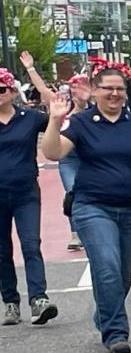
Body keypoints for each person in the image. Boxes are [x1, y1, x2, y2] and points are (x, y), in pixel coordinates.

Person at [39, 62, 131, 353]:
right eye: (108, 88)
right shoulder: (81, 123)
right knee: (107, 266)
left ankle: (104, 313)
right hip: (92, 207)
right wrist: (54, 121)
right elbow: (53, 152)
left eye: (119, 89)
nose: (114, 94)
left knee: (125, 269)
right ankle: (116, 333)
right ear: (95, 91)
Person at [0, 67, 56, 326]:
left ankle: (39, 298)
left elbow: (56, 118)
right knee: (2, 251)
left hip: (25, 192)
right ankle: (11, 302)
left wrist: (32, 70)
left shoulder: (30, 118)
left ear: (13, 91)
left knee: (31, 244)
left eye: (2, 89)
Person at [16, 52, 88, 252]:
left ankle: (94, 227)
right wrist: (30, 68)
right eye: (75, 86)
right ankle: (76, 233)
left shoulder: (94, 109)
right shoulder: (61, 106)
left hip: (90, 156)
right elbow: (42, 89)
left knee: (92, 191)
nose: (78, 90)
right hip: (68, 158)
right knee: (72, 192)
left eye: (83, 86)